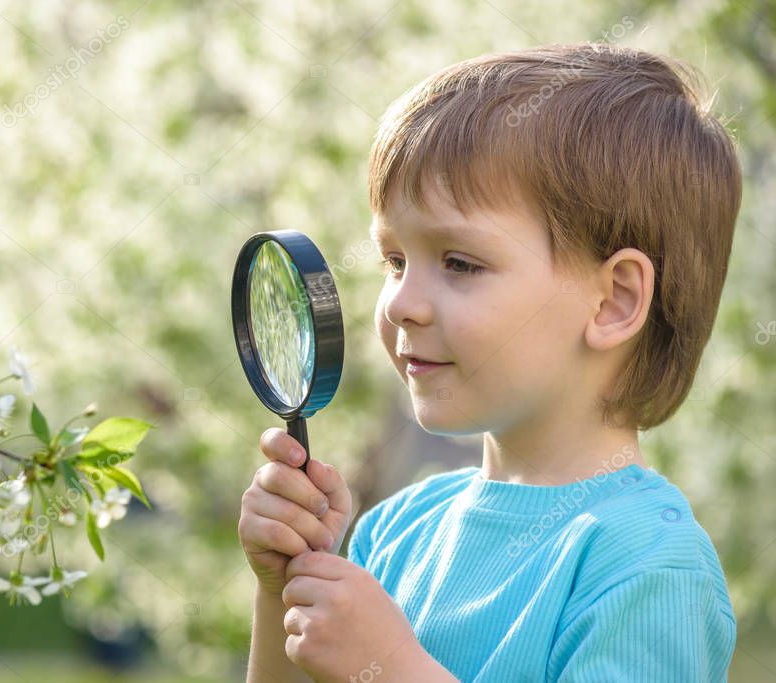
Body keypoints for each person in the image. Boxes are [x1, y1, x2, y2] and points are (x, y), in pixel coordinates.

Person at [239, 41, 741, 682]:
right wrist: (282, 586)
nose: (401, 305)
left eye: (459, 263)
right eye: (394, 262)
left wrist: (389, 666)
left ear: (613, 301)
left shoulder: (648, 563)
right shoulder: (396, 531)